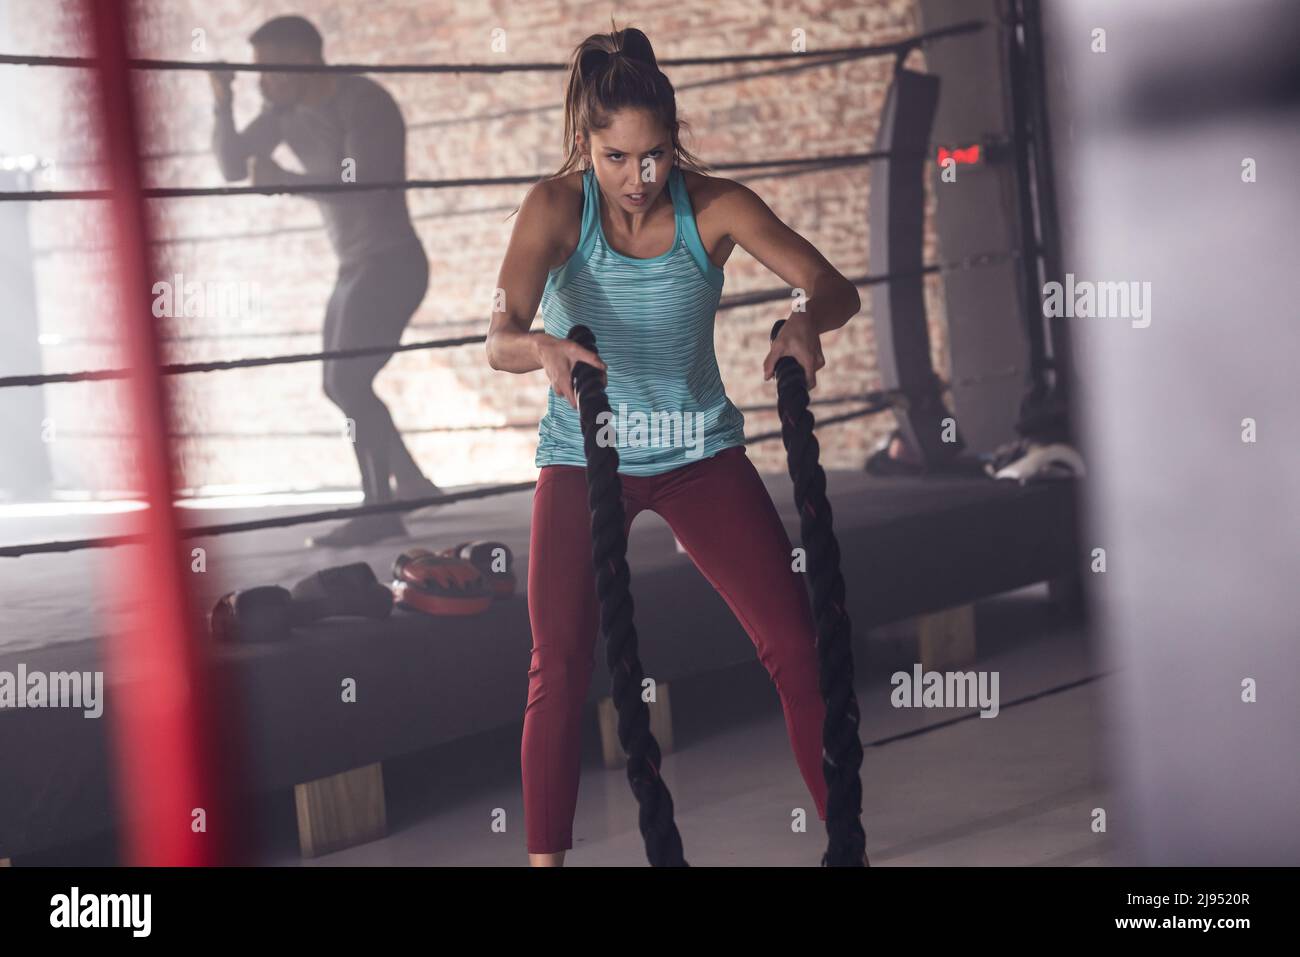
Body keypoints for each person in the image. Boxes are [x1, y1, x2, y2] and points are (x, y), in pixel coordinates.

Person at [485, 26, 864, 866]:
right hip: (587, 459)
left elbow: (832, 283)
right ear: (587, 143)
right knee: (560, 663)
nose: (639, 178)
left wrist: (806, 321)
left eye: (654, 155)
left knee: (796, 645)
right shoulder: (554, 207)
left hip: (699, 457)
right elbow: (499, 334)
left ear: (674, 141)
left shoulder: (715, 204)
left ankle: (847, 842)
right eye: (618, 157)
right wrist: (541, 348)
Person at [209, 14, 439, 547]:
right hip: (354, 266)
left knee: (346, 382)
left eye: (271, 69)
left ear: (307, 59)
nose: (263, 81)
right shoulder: (282, 112)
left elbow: (366, 183)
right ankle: (412, 484)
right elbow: (230, 165)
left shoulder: (363, 102)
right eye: (257, 72)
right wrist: (222, 100)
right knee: (344, 382)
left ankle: (382, 508)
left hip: (392, 263)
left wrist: (287, 181)